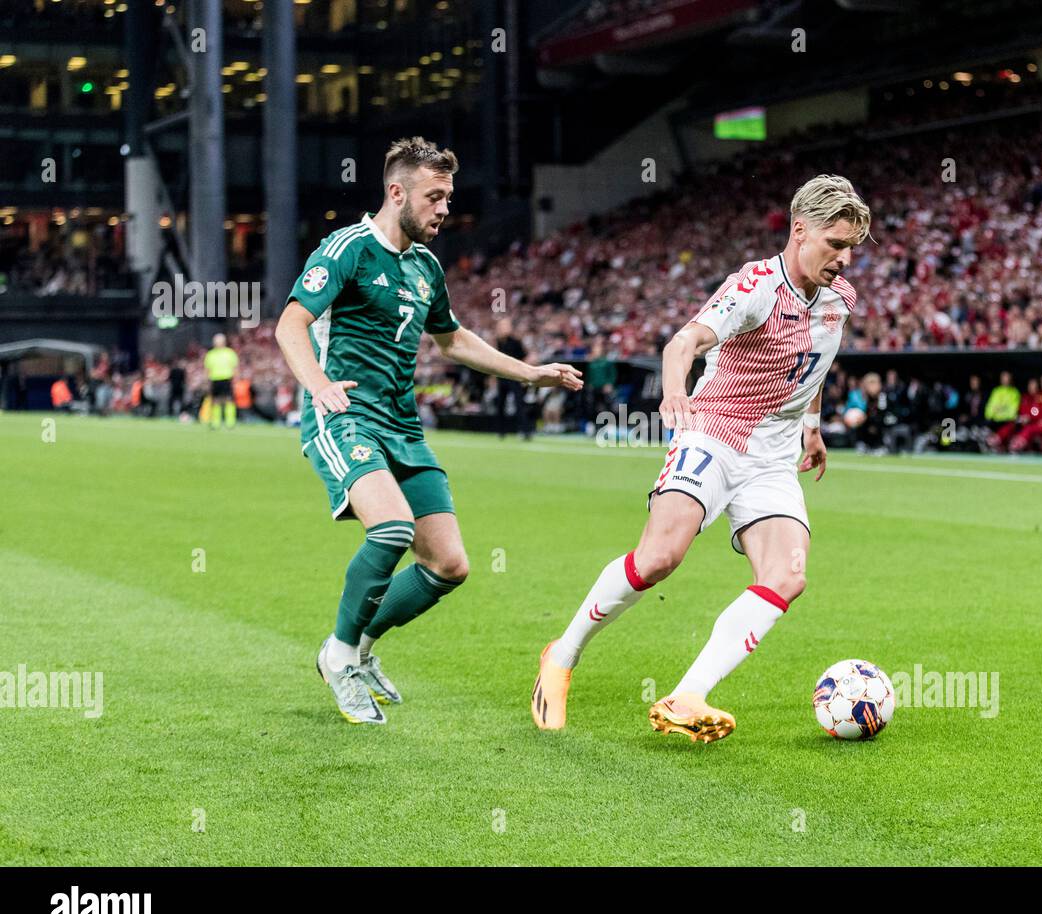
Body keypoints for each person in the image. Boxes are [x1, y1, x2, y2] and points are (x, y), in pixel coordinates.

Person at [531, 174, 870, 743]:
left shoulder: (840, 300)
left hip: (773, 455)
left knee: (788, 574)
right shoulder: (755, 285)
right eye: (834, 244)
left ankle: (688, 695)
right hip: (712, 430)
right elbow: (681, 343)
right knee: (659, 558)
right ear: (799, 229)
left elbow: (816, 366)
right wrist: (673, 392)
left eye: (851, 249)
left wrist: (812, 428)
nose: (844, 260)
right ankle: (561, 656)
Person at [274, 137, 582, 724]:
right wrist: (319, 386)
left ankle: (361, 648)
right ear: (397, 193)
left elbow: (452, 339)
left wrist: (529, 373)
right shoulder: (346, 249)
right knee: (391, 530)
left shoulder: (425, 265)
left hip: (402, 426)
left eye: (449, 197)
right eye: (434, 197)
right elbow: (292, 325)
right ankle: (337, 657)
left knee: (450, 565)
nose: (445, 209)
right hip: (344, 416)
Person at [203, 333, 240, 429]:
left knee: (229, 400)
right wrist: (207, 381)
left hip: (227, 378)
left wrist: (236, 379)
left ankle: (230, 422)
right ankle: (216, 422)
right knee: (215, 401)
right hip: (215, 379)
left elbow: (235, 367)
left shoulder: (230, 353)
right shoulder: (210, 354)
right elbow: (207, 369)